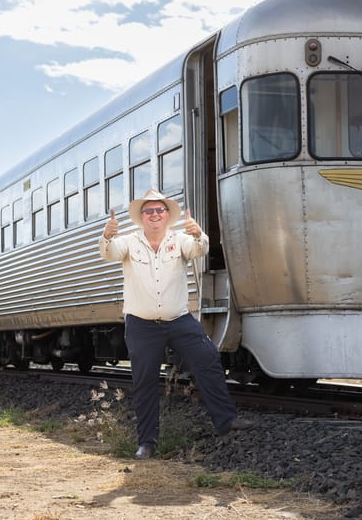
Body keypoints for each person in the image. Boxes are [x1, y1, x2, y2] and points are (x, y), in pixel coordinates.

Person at [99, 188, 252, 460]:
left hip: (178, 320)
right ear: (142, 217)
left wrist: (198, 233)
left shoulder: (180, 239)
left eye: (160, 210)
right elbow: (109, 253)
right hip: (141, 325)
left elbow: (199, 249)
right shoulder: (129, 242)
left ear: (168, 215)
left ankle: (226, 421)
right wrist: (107, 235)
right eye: (149, 211)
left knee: (207, 357)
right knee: (144, 381)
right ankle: (146, 443)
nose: (155, 215)